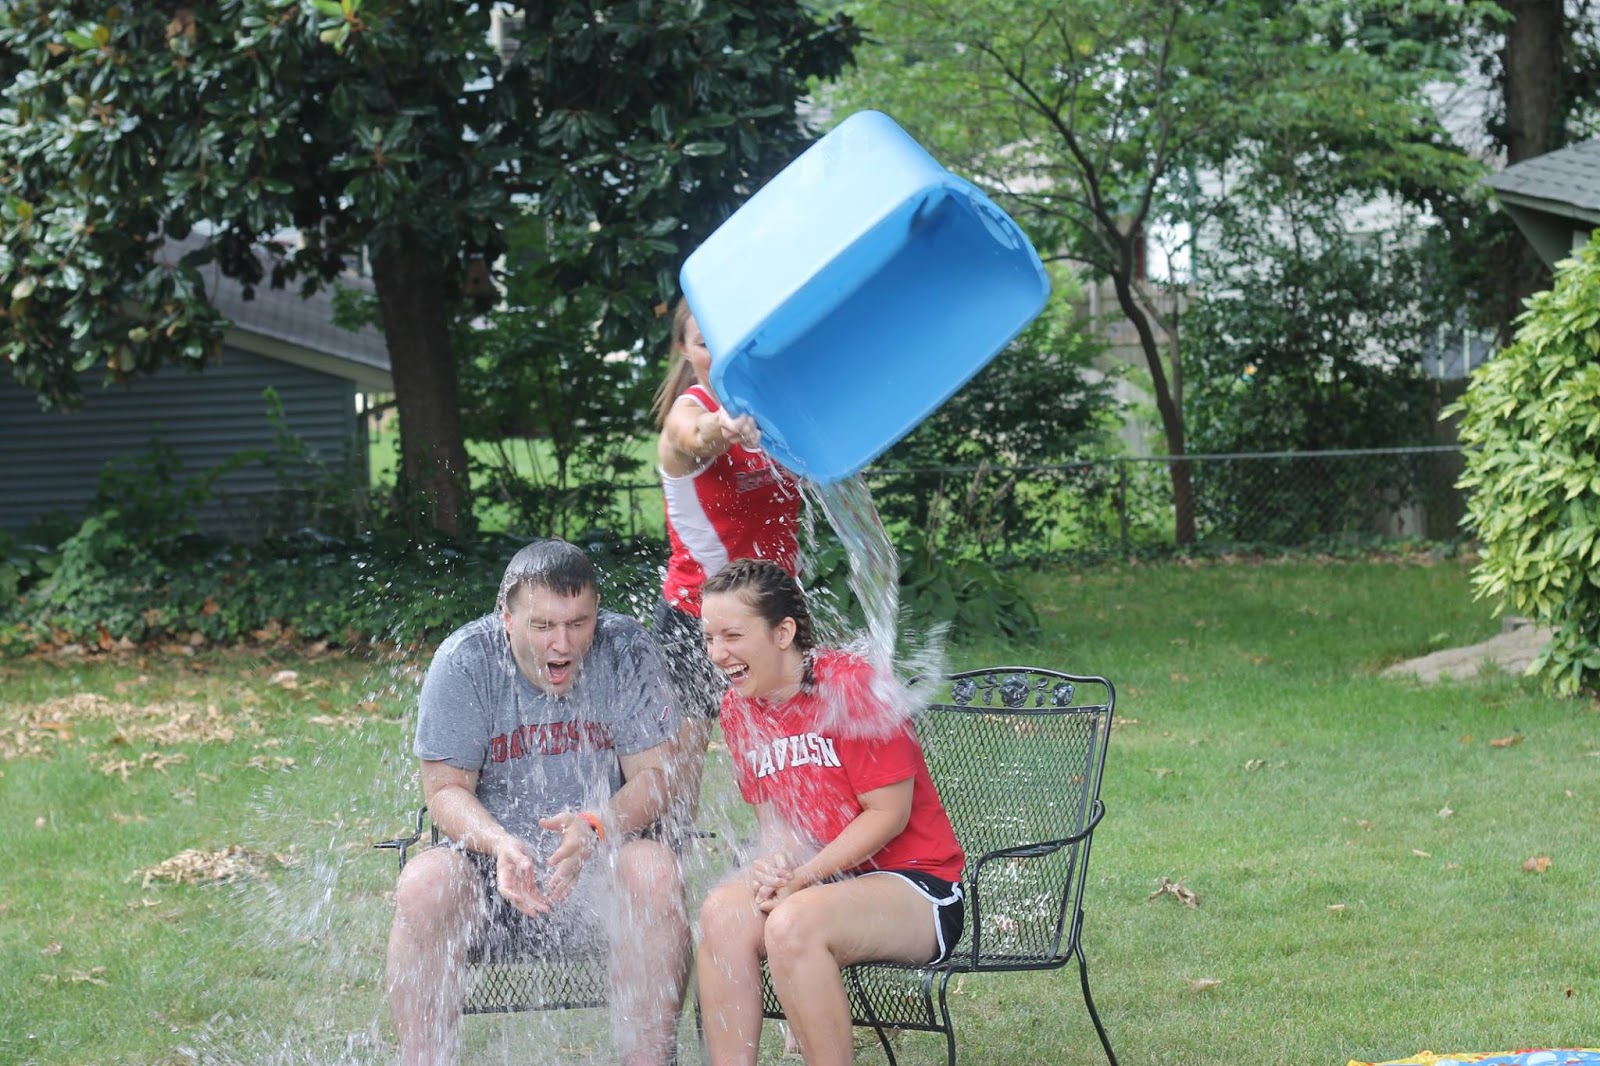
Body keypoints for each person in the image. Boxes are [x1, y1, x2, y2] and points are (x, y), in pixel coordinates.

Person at [384, 539, 689, 1066]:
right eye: (543, 625)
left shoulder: (626, 649)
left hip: (601, 869)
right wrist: (500, 843)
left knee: (655, 869)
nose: (563, 643)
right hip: (490, 877)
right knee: (423, 881)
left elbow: (656, 780)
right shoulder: (466, 661)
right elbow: (444, 791)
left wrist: (596, 825)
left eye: (578, 622)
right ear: (507, 618)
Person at [694, 559, 966, 1066]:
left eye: (732, 635)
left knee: (791, 923)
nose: (717, 654)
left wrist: (804, 877)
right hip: (825, 886)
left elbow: (889, 813)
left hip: (917, 886)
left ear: (784, 632)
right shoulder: (739, 709)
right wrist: (775, 865)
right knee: (722, 913)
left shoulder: (851, 686)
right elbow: (780, 826)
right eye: (710, 637)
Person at [651, 297, 803, 828]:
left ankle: (791, 891)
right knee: (675, 783)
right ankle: (660, 896)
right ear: (685, 350)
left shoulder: (783, 408)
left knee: (793, 768)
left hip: (775, 619)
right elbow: (689, 437)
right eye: (703, 341)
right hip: (696, 622)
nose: (720, 351)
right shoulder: (686, 413)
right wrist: (724, 426)